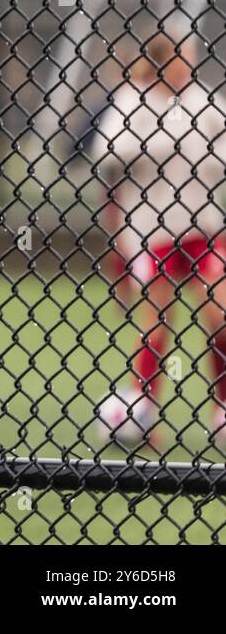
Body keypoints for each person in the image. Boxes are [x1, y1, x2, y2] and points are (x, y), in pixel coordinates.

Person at [90, 34, 226, 449]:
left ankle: (223, 408)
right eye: (183, 57)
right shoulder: (134, 100)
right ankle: (142, 410)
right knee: (157, 321)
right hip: (154, 232)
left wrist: (201, 153)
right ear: (162, 62)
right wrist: (167, 144)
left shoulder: (203, 100)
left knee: (219, 312)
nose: (190, 64)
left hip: (203, 229)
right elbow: (107, 151)